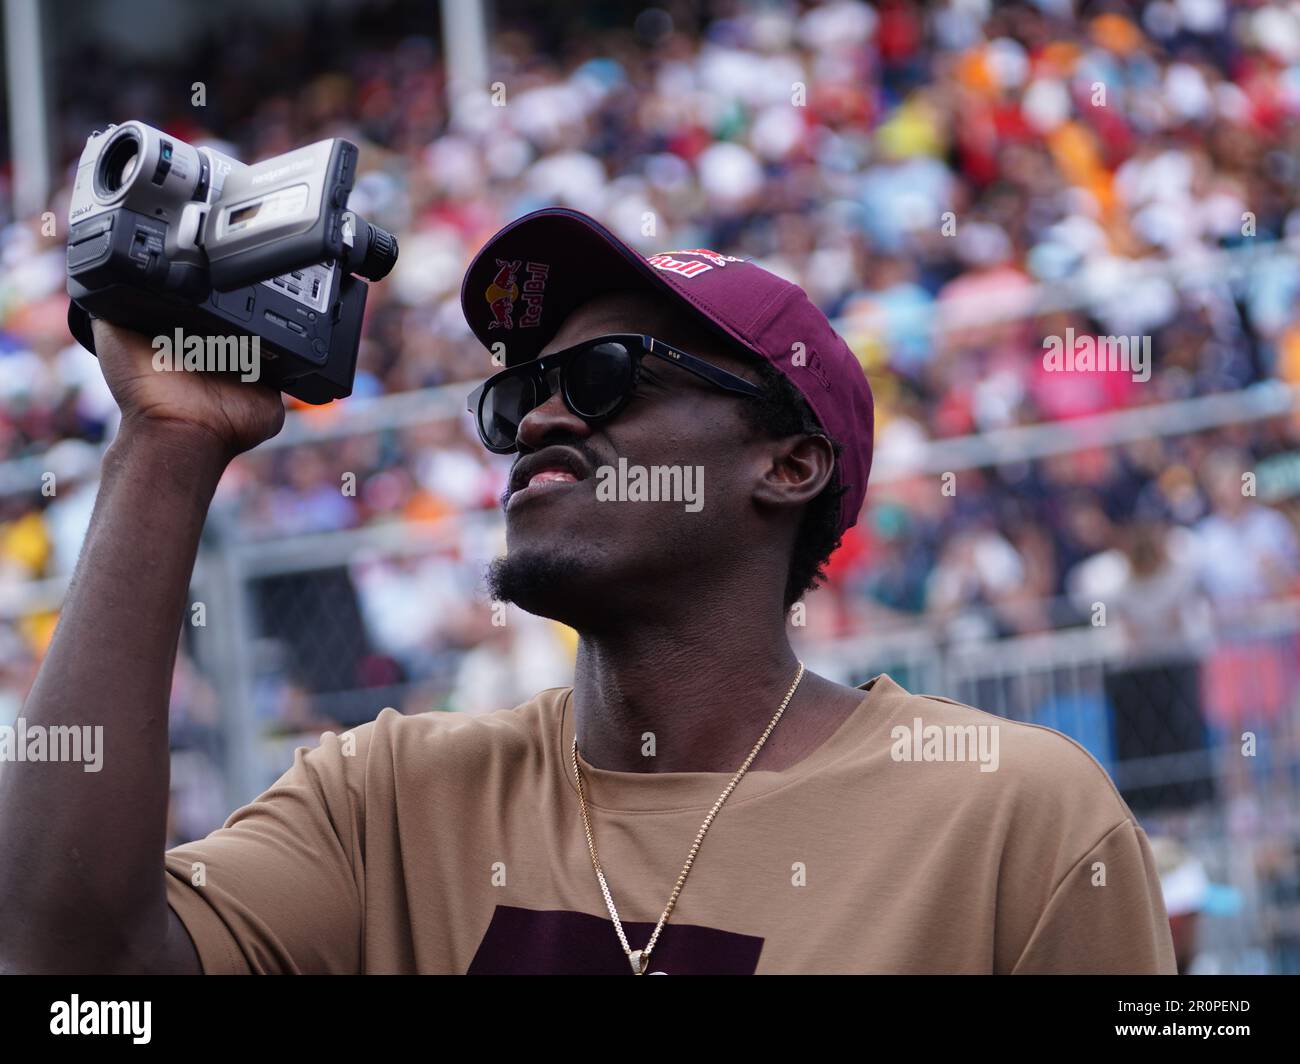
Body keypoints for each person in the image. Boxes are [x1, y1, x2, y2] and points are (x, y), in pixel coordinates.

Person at [0, 207, 1176, 975]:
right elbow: (70, 973)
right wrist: (164, 439)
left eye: (609, 377)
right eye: (520, 398)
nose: (543, 418)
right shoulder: (388, 798)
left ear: (789, 461)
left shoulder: (1013, 817)